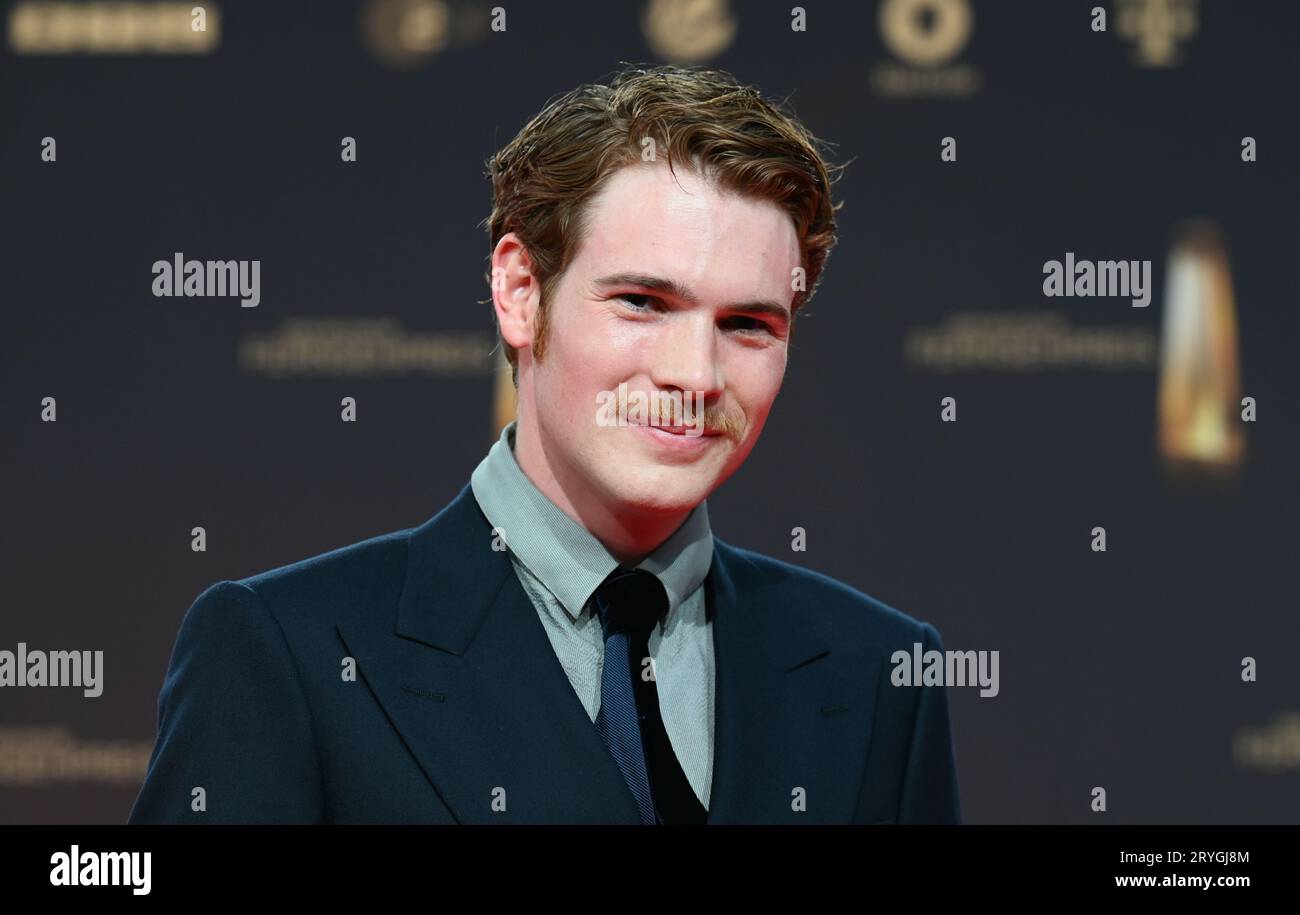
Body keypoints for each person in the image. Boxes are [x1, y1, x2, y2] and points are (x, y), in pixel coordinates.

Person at [128, 63, 961, 825]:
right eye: (642, 302)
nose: (695, 374)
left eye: (748, 324)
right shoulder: (291, 652)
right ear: (522, 293)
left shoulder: (878, 669)